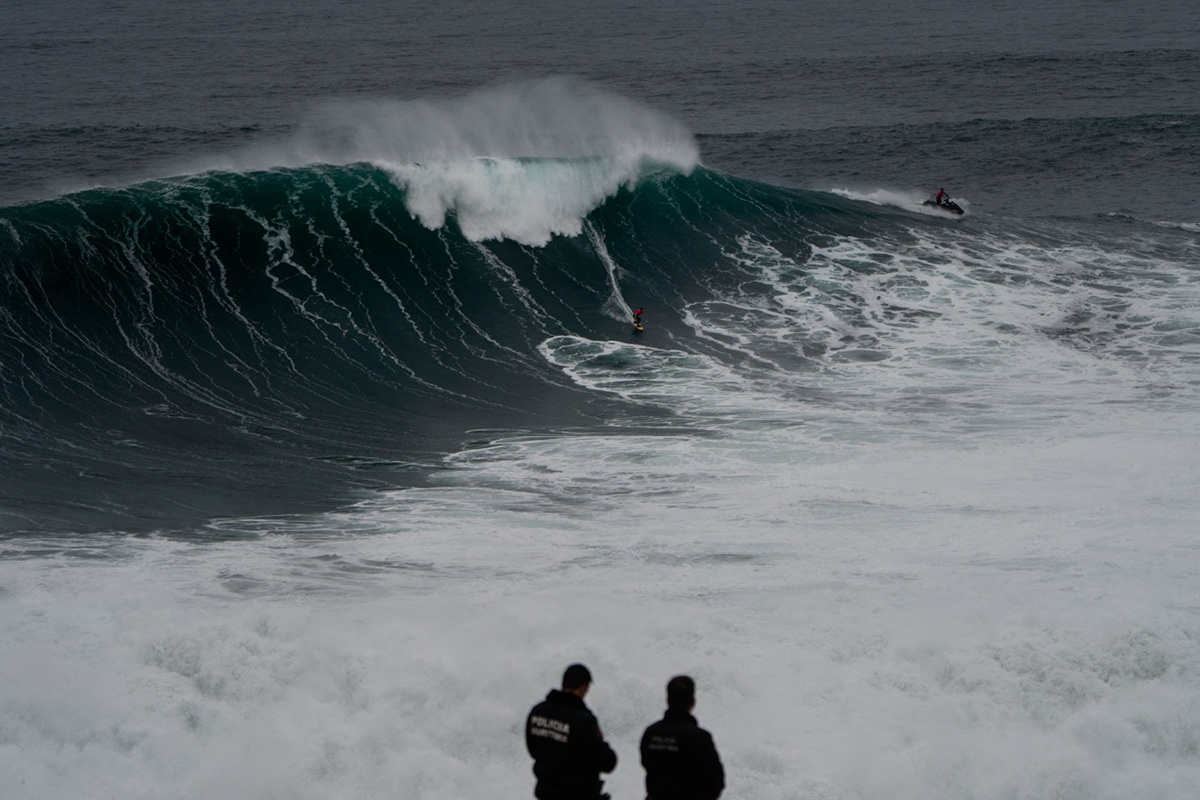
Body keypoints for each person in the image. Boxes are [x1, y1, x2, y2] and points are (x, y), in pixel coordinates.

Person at [526, 663, 618, 800]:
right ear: (584, 687)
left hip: (545, 792)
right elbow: (608, 762)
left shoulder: (537, 712)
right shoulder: (584, 720)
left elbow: (533, 750)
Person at [640, 675, 725, 800]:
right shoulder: (700, 737)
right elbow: (716, 782)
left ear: (668, 700)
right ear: (693, 702)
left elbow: (646, 763)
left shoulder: (651, 733)